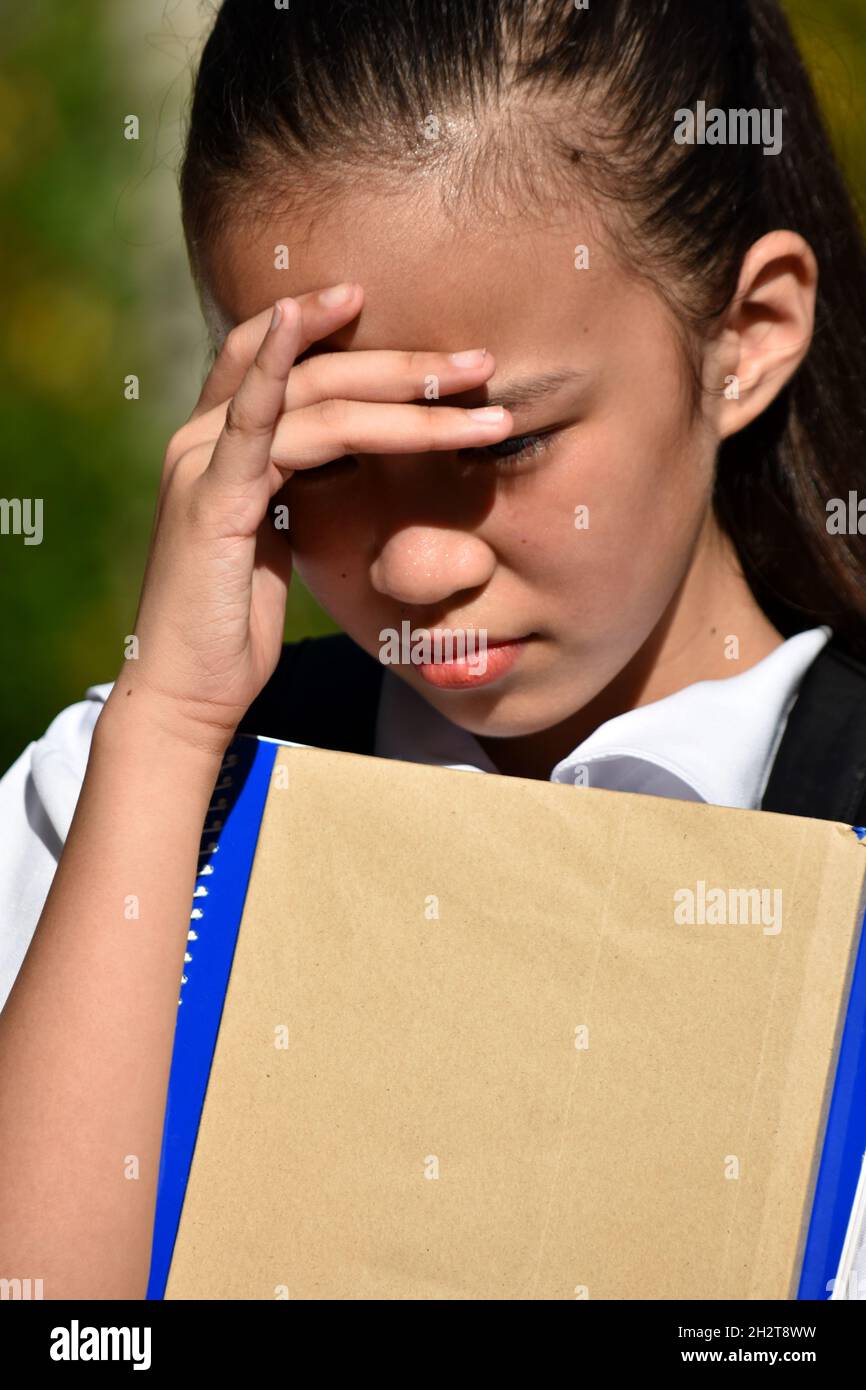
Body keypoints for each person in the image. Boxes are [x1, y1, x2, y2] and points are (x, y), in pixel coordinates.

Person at [1, 0, 865, 1299]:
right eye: (331, 455)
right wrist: (169, 728)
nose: (413, 563)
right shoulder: (141, 799)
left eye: (503, 446)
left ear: (741, 340)